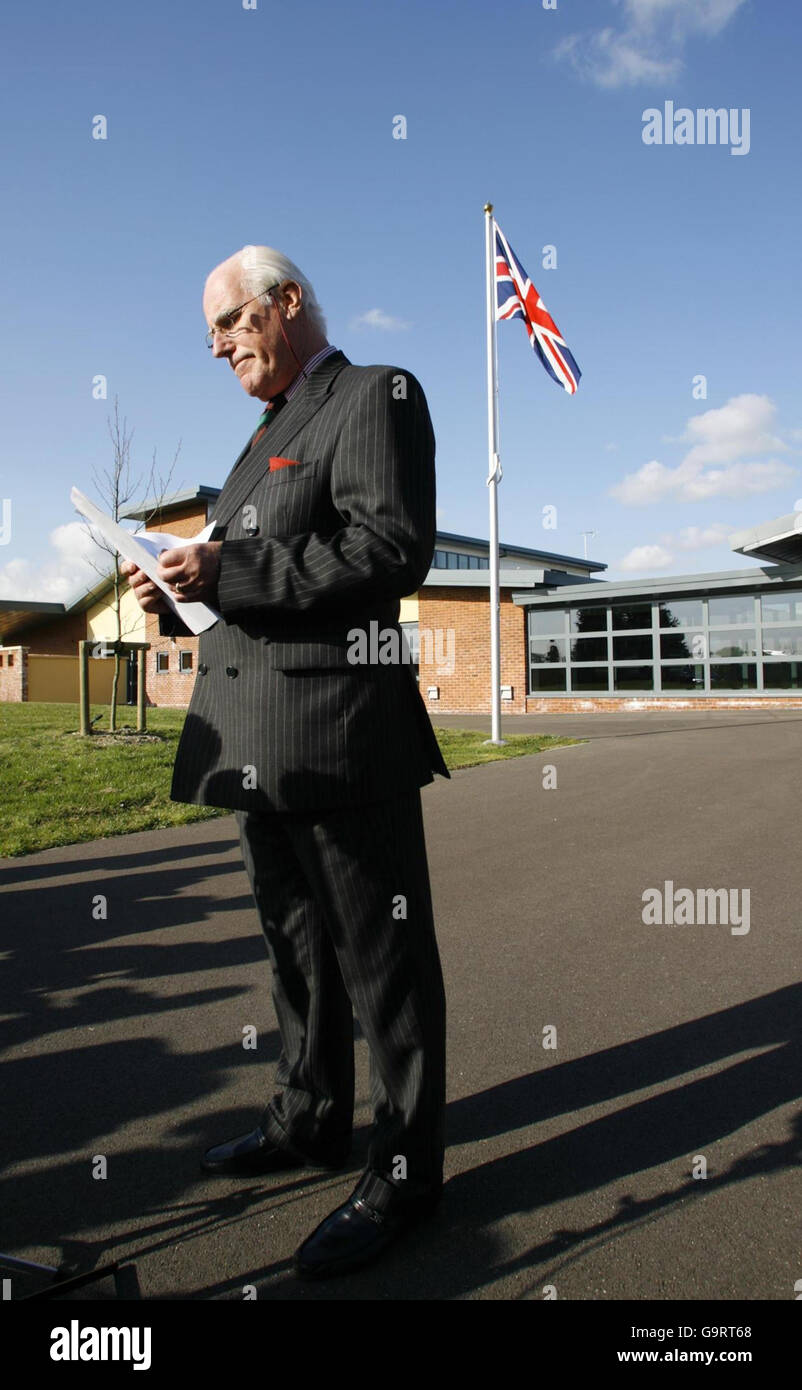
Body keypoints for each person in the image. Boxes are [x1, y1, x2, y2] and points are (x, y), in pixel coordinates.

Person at [123, 244, 449, 1280]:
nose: (216, 346)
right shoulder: (262, 435)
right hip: (256, 742)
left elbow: (388, 548)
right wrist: (181, 588)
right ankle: (309, 1118)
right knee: (295, 951)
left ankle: (404, 1169)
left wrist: (232, 563)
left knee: (381, 963)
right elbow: (253, 576)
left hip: (341, 734)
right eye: (212, 335)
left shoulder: (373, 395)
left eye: (227, 323)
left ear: (288, 301)